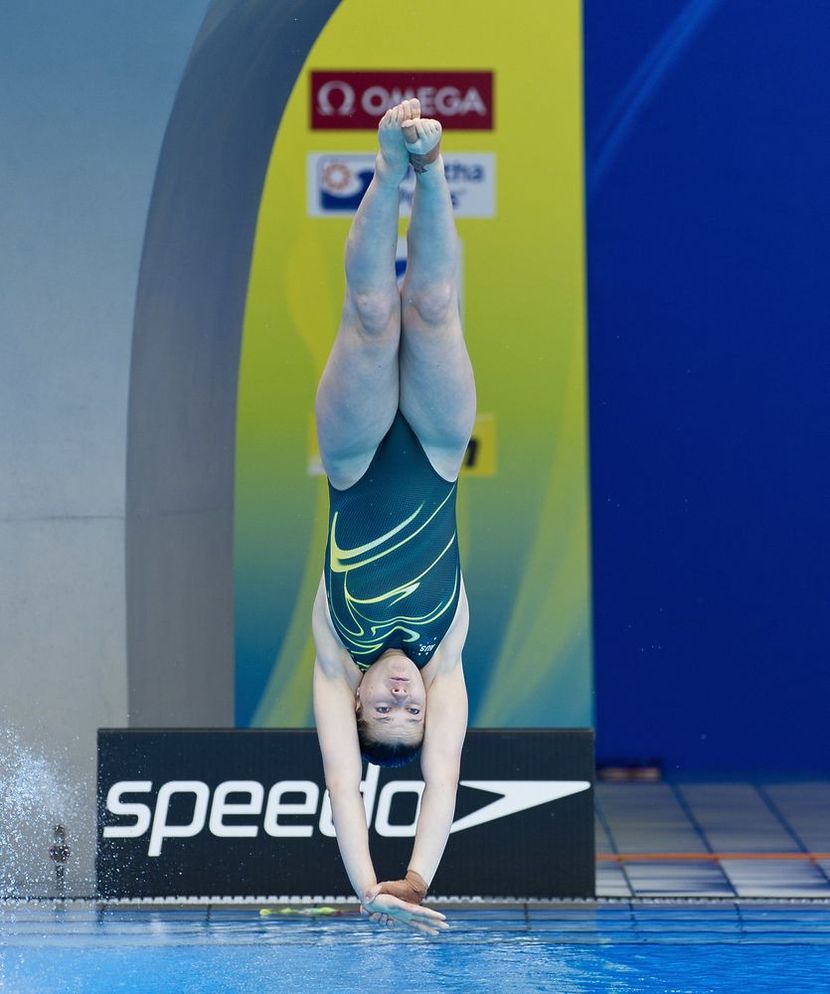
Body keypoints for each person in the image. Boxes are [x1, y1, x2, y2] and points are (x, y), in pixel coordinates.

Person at [311, 98, 476, 935]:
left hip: (353, 459)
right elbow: (441, 776)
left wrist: (366, 885)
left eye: (388, 710)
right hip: (440, 454)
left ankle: (385, 168)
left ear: (359, 704)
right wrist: (413, 877)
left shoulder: (335, 664)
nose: (406, 698)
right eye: (410, 711)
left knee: (375, 316)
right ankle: (435, 166)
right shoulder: (445, 664)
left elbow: (345, 786)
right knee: (436, 304)